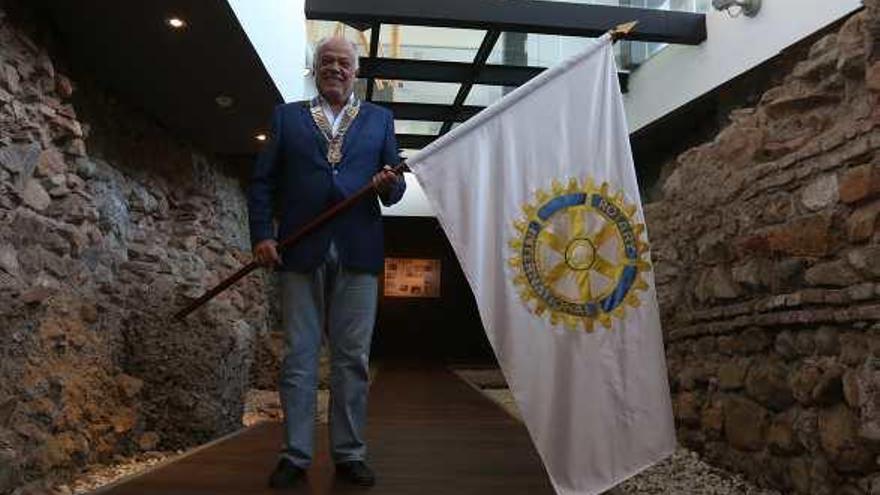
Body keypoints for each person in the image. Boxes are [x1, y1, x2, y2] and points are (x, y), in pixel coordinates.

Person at [248, 36, 405, 489]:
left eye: (344, 62)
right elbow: (263, 183)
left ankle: (350, 453)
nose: (335, 67)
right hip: (300, 249)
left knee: (351, 358)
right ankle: (294, 455)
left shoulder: (380, 119)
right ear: (314, 69)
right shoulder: (288, 117)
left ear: (356, 71)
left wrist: (386, 184)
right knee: (298, 356)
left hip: (358, 250)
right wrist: (263, 234)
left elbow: (394, 189)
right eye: (327, 61)